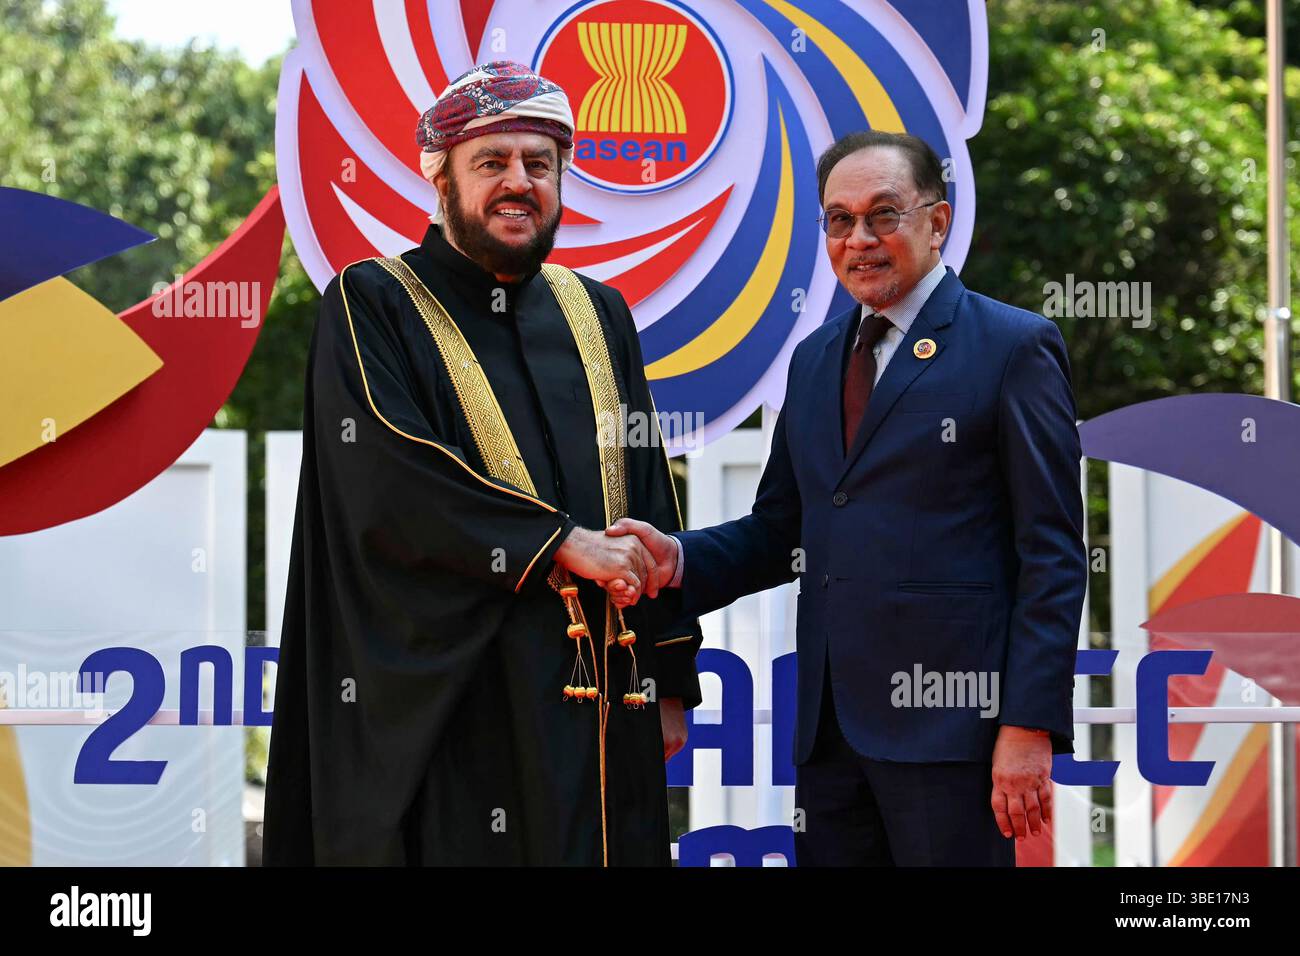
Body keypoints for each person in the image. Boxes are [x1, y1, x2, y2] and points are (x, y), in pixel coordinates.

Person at [263, 61, 703, 866]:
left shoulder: (597, 311)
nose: (518, 183)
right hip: (460, 695)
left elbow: (647, 492)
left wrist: (669, 675)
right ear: (441, 177)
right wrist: (560, 541)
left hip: (607, 693)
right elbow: (388, 479)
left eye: (539, 164)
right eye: (491, 163)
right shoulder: (375, 301)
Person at [607, 130, 1087, 866]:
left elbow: (1052, 554)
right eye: (839, 219)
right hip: (830, 738)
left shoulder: (1014, 347)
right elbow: (781, 530)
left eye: (883, 215)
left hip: (953, 736)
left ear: (937, 220)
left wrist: (1027, 727)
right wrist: (676, 558)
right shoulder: (816, 358)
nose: (859, 239)